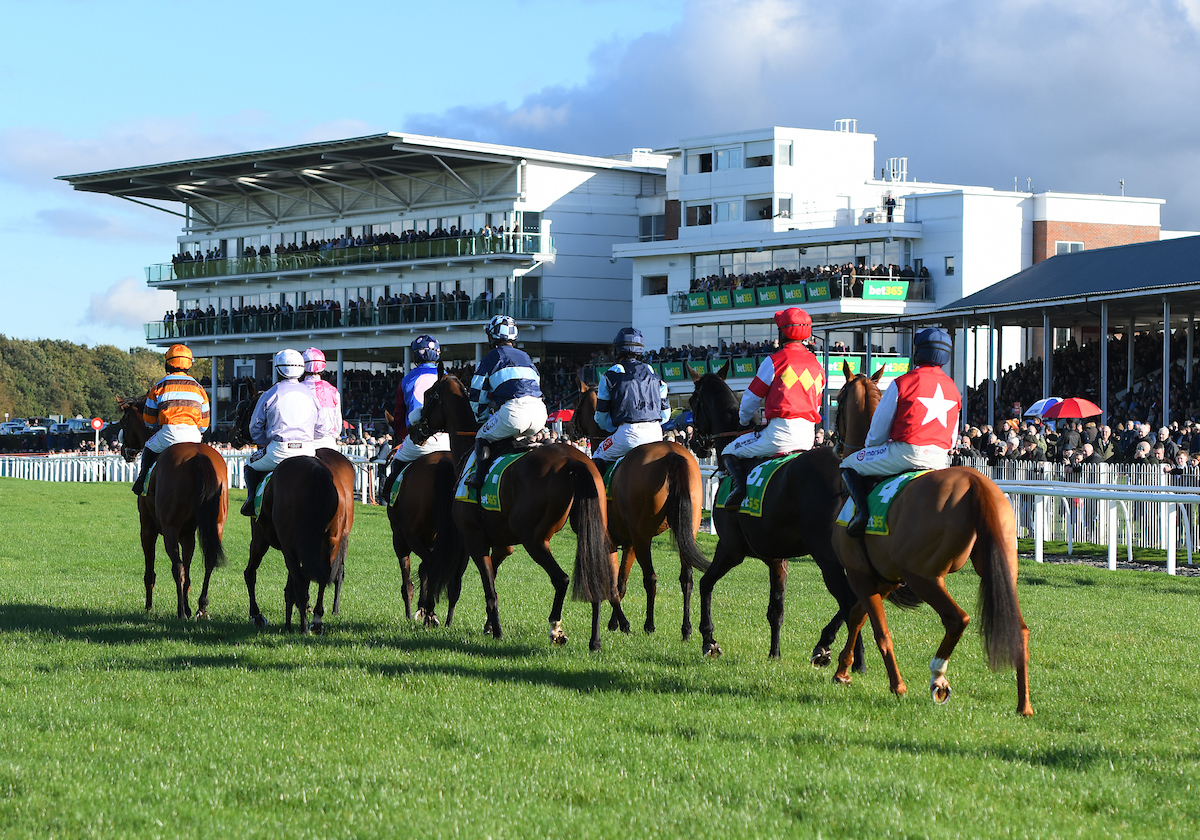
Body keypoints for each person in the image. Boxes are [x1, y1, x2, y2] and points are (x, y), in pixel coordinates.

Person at [842, 327, 962, 538]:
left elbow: (878, 430)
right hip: (940, 459)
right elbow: (952, 439)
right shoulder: (953, 388)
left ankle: (862, 514)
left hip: (905, 453)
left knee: (848, 464)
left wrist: (871, 448)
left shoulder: (903, 382)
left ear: (918, 352)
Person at [722, 307, 825, 506]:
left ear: (782, 332)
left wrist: (743, 421)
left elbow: (751, 398)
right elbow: (817, 405)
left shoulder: (774, 361)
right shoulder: (817, 365)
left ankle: (739, 490)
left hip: (779, 435)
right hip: (808, 437)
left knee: (728, 451)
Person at [241, 349, 332, 516]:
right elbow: (322, 428)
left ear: (278, 369)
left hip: (278, 451)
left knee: (249, 464)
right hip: (307, 451)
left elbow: (255, 427)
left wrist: (264, 442)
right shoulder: (311, 394)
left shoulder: (270, 393)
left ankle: (251, 501)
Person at [466, 315, 547, 489]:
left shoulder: (489, 358)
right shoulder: (526, 357)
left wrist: (481, 419)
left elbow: (477, 394)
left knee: (481, 435)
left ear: (491, 336)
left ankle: (478, 478)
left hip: (514, 413)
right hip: (540, 412)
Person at [132, 344, 210, 494]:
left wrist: (156, 426)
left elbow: (149, 420)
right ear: (189, 364)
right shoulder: (199, 388)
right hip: (194, 435)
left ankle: (141, 480)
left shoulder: (159, 386)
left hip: (169, 433)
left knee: (148, 447)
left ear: (168, 363)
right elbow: (204, 425)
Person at [592, 327, 670, 472]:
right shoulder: (653, 373)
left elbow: (601, 417)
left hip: (627, 435)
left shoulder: (610, 375)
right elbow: (665, 415)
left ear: (618, 350)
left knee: (598, 455)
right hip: (655, 433)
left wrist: (613, 428)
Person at [390, 334, 451, 469]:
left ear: (416, 356)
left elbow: (399, 417)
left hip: (419, 440)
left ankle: (390, 484)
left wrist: (404, 434)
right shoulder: (448, 377)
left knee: (395, 462)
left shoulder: (407, 380)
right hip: (447, 441)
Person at [300, 347, 342, 451]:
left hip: (304, 443)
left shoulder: (297, 389)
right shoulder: (333, 390)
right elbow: (338, 423)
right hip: (329, 443)